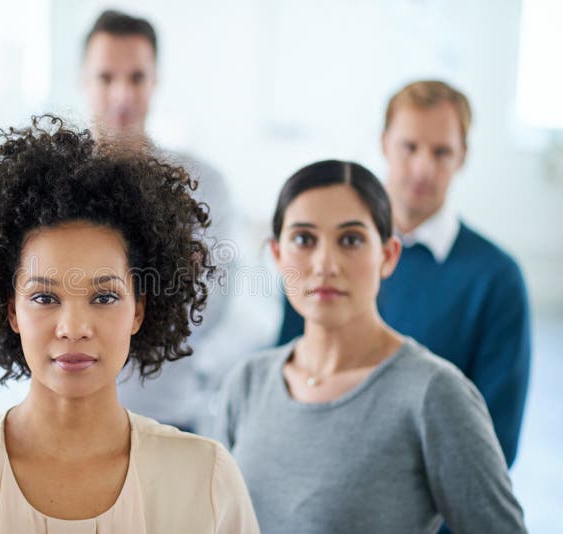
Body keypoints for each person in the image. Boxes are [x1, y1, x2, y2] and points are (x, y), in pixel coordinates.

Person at [0, 115, 259, 533]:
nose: (73, 327)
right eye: (44, 298)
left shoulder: (206, 479)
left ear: (139, 310)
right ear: (11, 310)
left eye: (104, 297)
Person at [216, 160, 526, 534]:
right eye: (303, 239)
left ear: (389, 255)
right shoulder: (248, 384)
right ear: (278, 255)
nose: (325, 263)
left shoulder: (433, 394)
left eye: (350, 240)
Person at [276, 81, 531, 466]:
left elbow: (494, 441)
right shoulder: (316, 259)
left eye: (441, 151)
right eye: (409, 147)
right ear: (384, 144)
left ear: (462, 156)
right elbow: (285, 375)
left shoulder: (496, 279)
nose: (423, 168)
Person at [81, 9, 235, 431]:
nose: (122, 96)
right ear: (83, 79)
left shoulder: (204, 185)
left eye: (136, 78)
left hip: (168, 414)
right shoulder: (52, 188)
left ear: (156, 80)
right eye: (106, 78)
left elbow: (210, 304)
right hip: (69, 414)